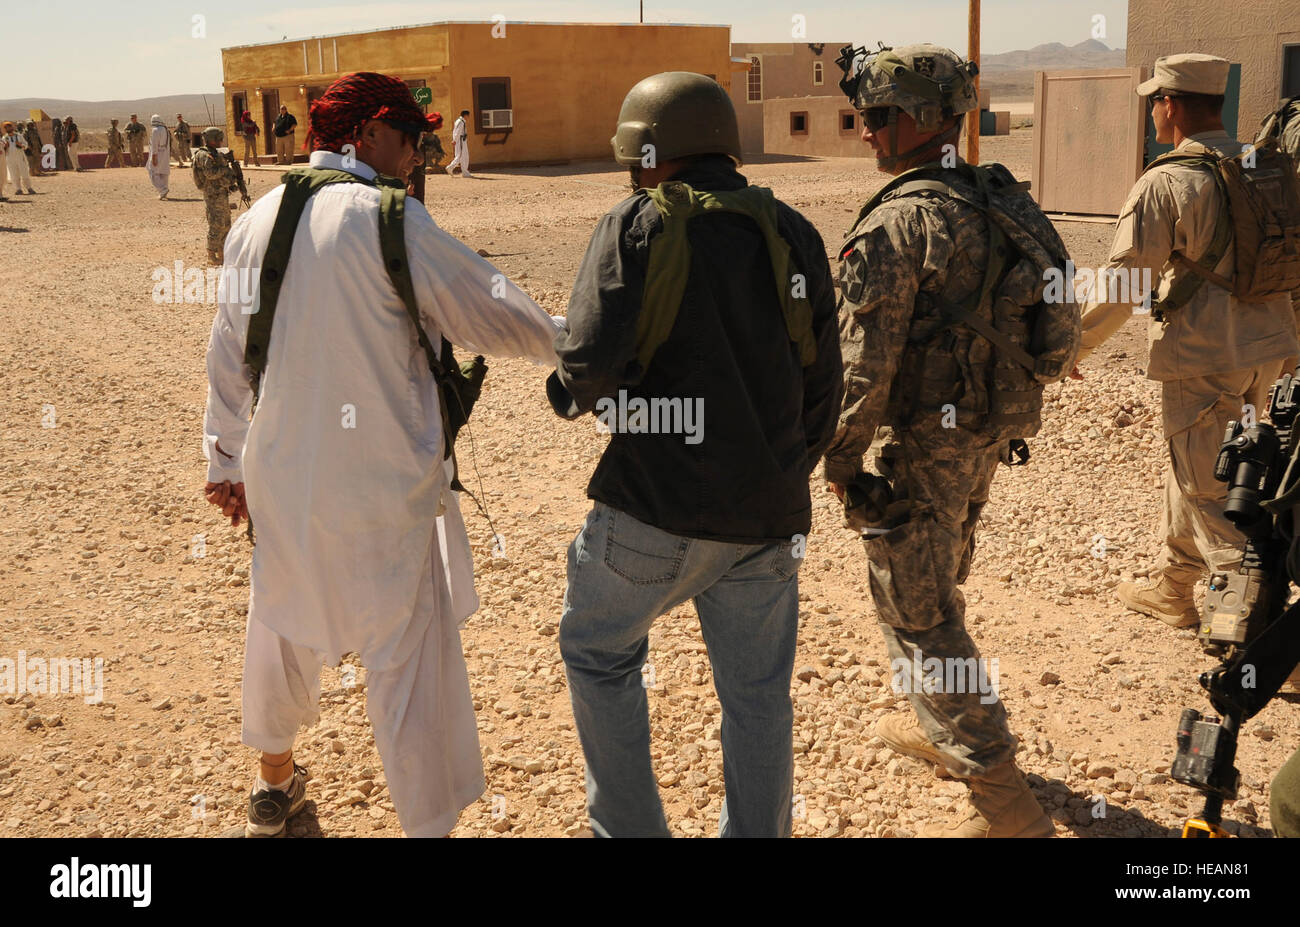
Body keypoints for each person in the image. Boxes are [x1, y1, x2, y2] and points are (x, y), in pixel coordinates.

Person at [202, 71, 564, 838]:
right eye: (412, 136)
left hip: (282, 477)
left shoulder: (253, 220)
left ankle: (273, 792)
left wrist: (225, 463)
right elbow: (490, 309)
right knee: (408, 663)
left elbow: (228, 354)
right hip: (381, 489)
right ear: (369, 133)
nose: (418, 154)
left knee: (280, 621)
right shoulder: (390, 219)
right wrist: (576, 344)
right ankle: (427, 825)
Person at [549, 72, 844, 838]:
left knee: (599, 651)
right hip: (769, 516)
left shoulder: (637, 225)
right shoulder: (793, 230)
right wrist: (778, 469)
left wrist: (569, 391)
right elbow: (824, 386)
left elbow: (587, 363)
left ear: (648, 151)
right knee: (756, 697)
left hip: (653, 507)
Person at [824, 43, 1079, 837]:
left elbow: (864, 369)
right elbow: (1062, 323)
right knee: (940, 577)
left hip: (921, 448)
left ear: (923, 122)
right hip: (982, 437)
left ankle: (1000, 796)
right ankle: (941, 730)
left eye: (876, 118)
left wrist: (836, 459)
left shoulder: (900, 223)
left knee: (918, 608)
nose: (865, 133)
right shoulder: (1006, 200)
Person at [1074, 54, 1299, 628]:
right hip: (1267, 353)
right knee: (1215, 467)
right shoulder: (1259, 165)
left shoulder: (1167, 182)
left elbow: (1126, 282)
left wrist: (1072, 346)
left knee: (1209, 489)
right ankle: (1175, 590)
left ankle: (1262, 636)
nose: (1153, 110)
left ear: (1170, 105)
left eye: (1156, 100)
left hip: (1203, 357)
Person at [191, 127, 239, 264]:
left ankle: (222, 253)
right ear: (212, 140)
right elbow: (210, 174)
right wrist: (225, 169)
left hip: (220, 194)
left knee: (225, 224)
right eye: (219, 139)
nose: (221, 141)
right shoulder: (204, 155)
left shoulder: (214, 153)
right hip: (212, 195)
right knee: (216, 224)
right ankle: (211, 255)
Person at [3, 122, 34, 194]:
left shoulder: (19, 136)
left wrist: (20, 144)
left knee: (25, 173)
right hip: (10, 159)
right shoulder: (4, 138)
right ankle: (18, 189)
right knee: (14, 174)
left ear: (12, 127)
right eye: (6, 127)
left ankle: (29, 188)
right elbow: (3, 149)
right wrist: (6, 146)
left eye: (9, 127)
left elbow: (26, 145)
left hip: (20, 157)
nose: (8, 128)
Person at [147, 114, 171, 199]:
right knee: (163, 173)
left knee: (152, 171)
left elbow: (154, 145)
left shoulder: (155, 130)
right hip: (165, 154)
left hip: (158, 154)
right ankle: (164, 191)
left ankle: (162, 189)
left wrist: (154, 157)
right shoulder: (166, 130)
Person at [445, 109, 472, 178]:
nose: (468, 117)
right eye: (468, 116)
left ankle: (465, 172)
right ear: (465, 115)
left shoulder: (460, 121)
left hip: (461, 140)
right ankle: (450, 167)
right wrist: (455, 140)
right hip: (460, 140)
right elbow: (457, 132)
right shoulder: (461, 122)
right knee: (460, 156)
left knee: (464, 156)